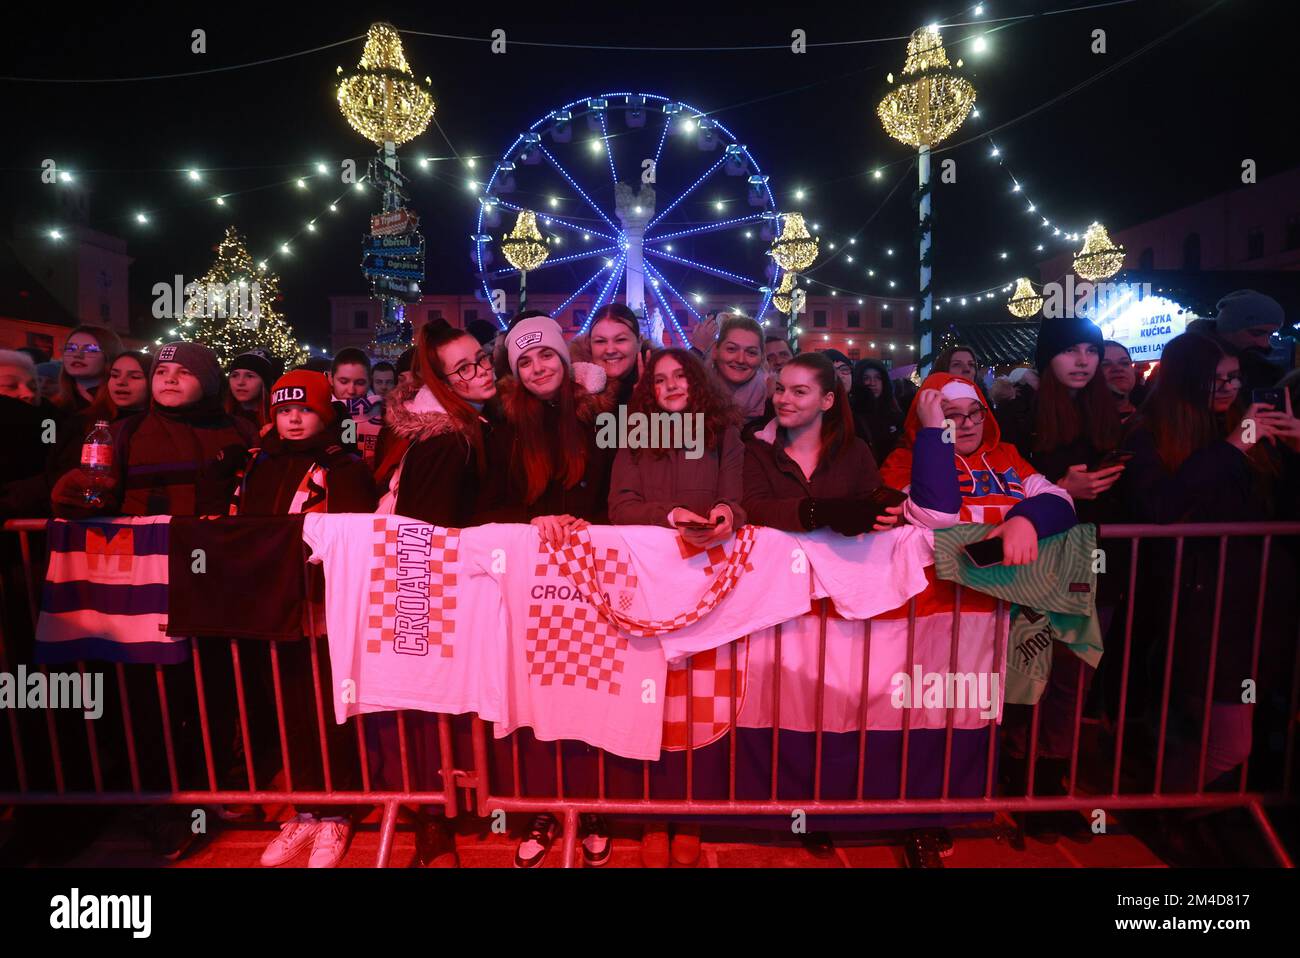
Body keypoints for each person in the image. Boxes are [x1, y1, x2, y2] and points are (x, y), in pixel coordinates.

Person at [48, 341, 258, 860]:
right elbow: (100, 496)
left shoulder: (239, 433)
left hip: (213, 588)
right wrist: (76, 495)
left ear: (208, 381)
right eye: (162, 371)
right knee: (154, 701)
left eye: (184, 372)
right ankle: (161, 806)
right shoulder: (126, 432)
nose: (168, 379)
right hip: (144, 595)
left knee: (215, 693)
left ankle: (211, 788)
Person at [1118, 332, 1299, 852]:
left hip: (1262, 601)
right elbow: (1158, 508)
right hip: (1202, 601)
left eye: (1235, 378)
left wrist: (1294, 448)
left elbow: (1278, 506)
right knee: (1227, 739)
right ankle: (1158, 809)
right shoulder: (1149, 433)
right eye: (1216, 379)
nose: (1228, 388)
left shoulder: (1244, 426)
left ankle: (1184, 813)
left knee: (1235, 726)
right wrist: (1231, 447)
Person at [473, 314, 614, 868]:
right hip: (529, 582)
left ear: (565, 359)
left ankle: (594, 805)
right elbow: (482, 507)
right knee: (536, 698)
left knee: (592, 688)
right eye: (525, 361)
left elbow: (615, 494)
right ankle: (542, 805)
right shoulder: (502, 425)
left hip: (590, 576)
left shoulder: (601, 418)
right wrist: (532, 521)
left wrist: (588, 523)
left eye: (546, 356)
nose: (537, 368)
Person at [605, 347, 745, 866]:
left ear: (698, 380)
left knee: (697, 708)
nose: (670, 385)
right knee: (649, 705)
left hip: (705, 585)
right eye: (659, 380)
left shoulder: (724, 432)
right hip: (644, 587)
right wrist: (670, 514)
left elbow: (737, 496)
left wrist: (728, 513)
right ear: (649, 390)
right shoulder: (634, 436)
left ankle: (689, 815)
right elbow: (619, 505)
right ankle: (650, 815)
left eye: (679, 376)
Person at [232, 371, 374, 868]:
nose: (293, 418)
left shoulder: (344, 466)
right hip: (273, 607)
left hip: (324, 610)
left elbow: (354, 544)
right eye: (284, 409)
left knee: (329, 708)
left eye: (305, 409)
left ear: (325, 412)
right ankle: (307, 808)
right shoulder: (258, 465)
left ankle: (340, 810)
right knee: (290, 706)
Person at [743, 352, 958, 536]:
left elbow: (868, 503)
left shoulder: (855, 450)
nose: (783, 399)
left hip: (841, 573)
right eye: (780, 389)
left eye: (799, 392)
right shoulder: (757, 450)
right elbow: (754, 508)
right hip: (779, 575)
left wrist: (882, 518)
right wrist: (817, 512)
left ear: (827, 400)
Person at [998, 316, 1126, 526]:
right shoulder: (1018, 412)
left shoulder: (1106, 407)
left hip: (1102, 537)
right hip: (1042, 539)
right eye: (1070, 350)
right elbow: (1002, 486)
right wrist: (1061, 489)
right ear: (1048, 357)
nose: (1083, 360)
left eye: (1092, 350)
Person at [375, 319, 498, 528]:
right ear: (444, 385)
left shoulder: (475, 423)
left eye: (482, 359)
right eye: (464, 369)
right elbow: (431, 529)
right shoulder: (448, 443)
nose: (482, 371)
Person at [1187, 289, 1286, 395]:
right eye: (1256, 333)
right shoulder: (1187, 363)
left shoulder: (1266, 373)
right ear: (1229, 329)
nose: (1265, 343)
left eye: (1270, 334)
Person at [706, 313, 769, 434]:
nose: (740, 359)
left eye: (751, 352)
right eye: (731, 349)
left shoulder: (774, 405)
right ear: (715, 351)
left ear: (762, 358)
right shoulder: (691, 398)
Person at [586, 303, 646, 407]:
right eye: (600, 341)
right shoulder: (572, 392)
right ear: (589, 344)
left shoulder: (670, 387)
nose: (610, 350)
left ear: (639, 343)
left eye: (620, 340)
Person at [849, 358, 905, 465]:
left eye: (878, 378)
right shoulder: (851, 414)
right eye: (866, 378)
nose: (872, 383)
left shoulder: (895, 414)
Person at [55, 324, 122, 412]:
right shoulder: (53, 407)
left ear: (109, 356)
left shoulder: (122, 405)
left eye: (91, 349)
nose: (77, 355)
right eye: (71, 348)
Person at [226, 349, 278, 432]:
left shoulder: (278, 420)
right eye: (235, 375)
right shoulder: (218, 418)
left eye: (250, 376)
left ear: (264, 383)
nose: (240, 382)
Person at [1100, 340, 1144, 423]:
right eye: (1105, 364)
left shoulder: (1154, 416)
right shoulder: (1077, 423)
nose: (1118, 369)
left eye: (1124, 363)